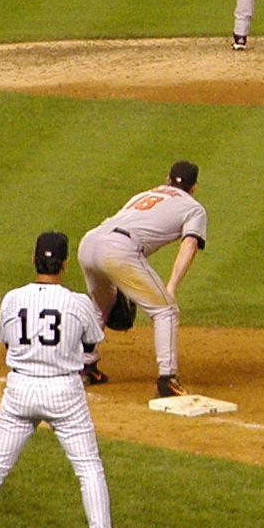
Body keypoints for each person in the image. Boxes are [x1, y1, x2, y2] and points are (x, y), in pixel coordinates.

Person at [0, 232, 120, 528]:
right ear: (65, 264)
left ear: (34, 260)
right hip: (64, 393)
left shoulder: (12, 299)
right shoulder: (78, 303)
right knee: (88, 468)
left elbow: (6, 342)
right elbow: (90, 347)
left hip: (20, 390)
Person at [77, 162, 208, 397]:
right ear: (194, 186)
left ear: (167, 178)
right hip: (119, 249)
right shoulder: (193, 207)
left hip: (89, 242)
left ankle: (86, 367)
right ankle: (168, 378)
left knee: (101, 305)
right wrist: (171, 286)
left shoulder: (145, 194)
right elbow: (189, 245)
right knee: (166, 310)